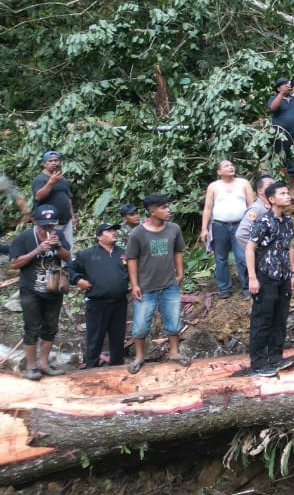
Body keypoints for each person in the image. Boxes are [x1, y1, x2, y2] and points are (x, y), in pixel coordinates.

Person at [125, 194, 190, 374]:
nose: (168, 210)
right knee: (140, 325)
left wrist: (180, 272)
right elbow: (132, 259)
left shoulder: (173, 229)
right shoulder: (138, 233)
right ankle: (139, 357)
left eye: (168, 207)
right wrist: (135, 284)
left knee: (174, 321)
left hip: (169, 285)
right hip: (146, 287)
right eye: (163, 208)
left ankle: (175, 352)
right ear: (152, 212)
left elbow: (178, 251)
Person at [9, 204, 71, 379]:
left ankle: (43, 364)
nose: (48, 228)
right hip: (31, 290)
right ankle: (31, 367)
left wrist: (58, 247)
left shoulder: (57, 235)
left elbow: (68, 257)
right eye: (44, 225)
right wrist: (37, 250)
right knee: (32, 328)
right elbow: (14, 264)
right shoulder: (24, 238)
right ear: (35, 221)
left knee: (50, 328)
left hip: (53, 289)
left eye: (51, 224)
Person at [246, 183, 294, 377]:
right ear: (271, 199)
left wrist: (293, 274)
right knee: (262, 319)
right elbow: (250, 249)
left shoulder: (288, 221)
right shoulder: (263, 221)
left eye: (288, 192)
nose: (287, 196)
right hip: (265, 275)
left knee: (280, 317)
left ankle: (276, 356)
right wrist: (252, 278)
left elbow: (289, 247)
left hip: (283, 275)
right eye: (282, 193)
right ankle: (258, 363)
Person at [68, 223, 129, 368]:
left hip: (120, 302)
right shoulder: (87, 254)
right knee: (95, 337)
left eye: (114, 230)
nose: (114, 233)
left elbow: (134, 271)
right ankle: (91, 368)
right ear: (99, 237)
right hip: (97, 303)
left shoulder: (123, 253)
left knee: (118, 337)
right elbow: (69, 268)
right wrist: (78, 280)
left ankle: (117, 366)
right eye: (109, 231)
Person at [199, 160, 255, 299]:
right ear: (219, 172)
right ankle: (224, 289)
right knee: (220, 258)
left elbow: (251, 205)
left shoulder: (243, 183)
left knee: (242, 257)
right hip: (219, 226)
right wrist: (204, 228)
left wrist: (253, 223)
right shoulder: (214, 186)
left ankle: (247, 288)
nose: (231, 167)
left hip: (240, 225)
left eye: (231, 165)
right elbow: (207, 208)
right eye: (226, 166)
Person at [234, 174, 274, 298]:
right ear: (261, 191)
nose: (275, 187)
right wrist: (256, 254)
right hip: (262, 263)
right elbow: (241, 234)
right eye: (270, 185)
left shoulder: (269, 208)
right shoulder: (257, 209)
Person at [32, 151, 74, 246]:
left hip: (66, 221)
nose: (54, 163)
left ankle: (68, 261)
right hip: (48, 222)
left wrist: (72, 216)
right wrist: (51, 182)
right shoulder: (39, 179)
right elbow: (38, 197)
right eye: (50, 161)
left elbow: (68, 198)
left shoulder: (62, 179)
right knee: (50, 247)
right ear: (44, 164)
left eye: (56, 160)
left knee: (68, 246)